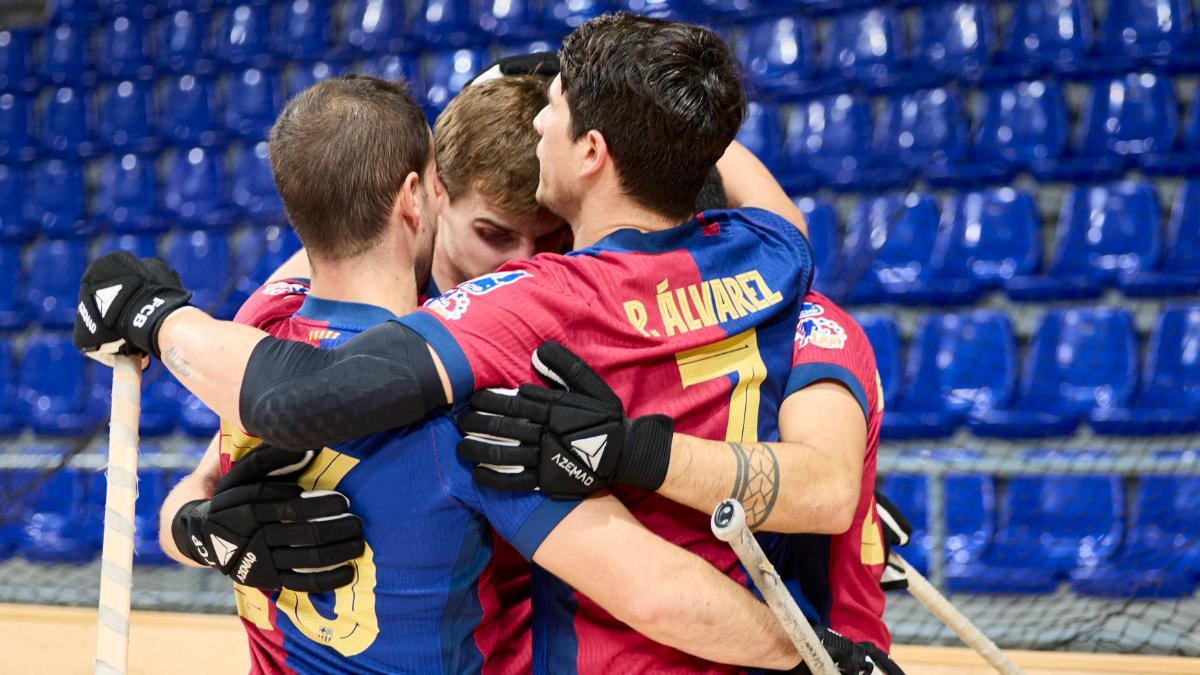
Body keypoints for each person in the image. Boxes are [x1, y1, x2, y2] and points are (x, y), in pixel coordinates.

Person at [74, 14, 823, 671]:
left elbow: (293, 363)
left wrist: (154, 317)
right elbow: (201, 486)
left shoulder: (261, 326)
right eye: (493, 234)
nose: (517, 262)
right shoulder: (479, 379)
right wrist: (203, 532)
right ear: (430, 194)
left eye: (548, 243)